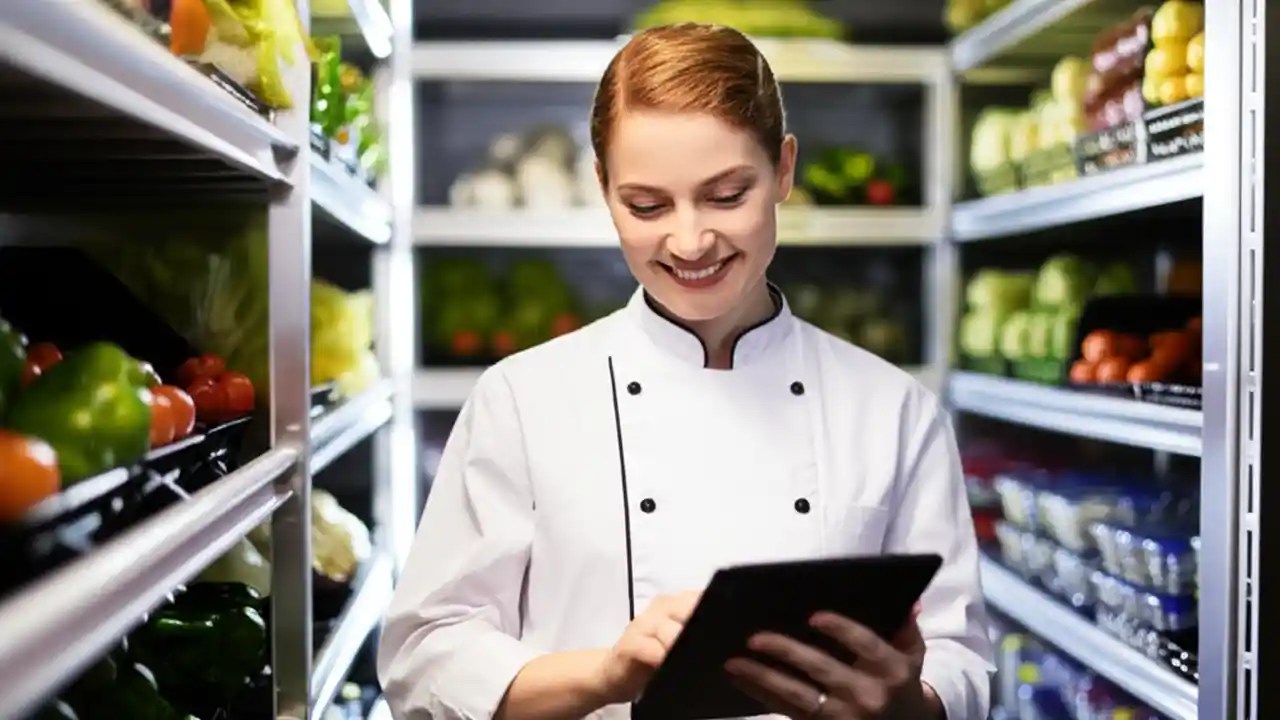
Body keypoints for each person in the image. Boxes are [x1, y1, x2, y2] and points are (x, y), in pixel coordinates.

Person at [379, 22, 993, 720]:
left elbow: (960, 653)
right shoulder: (522, 400)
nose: (690, 240)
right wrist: (605, 674)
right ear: (602, 187)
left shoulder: (894, 411)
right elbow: (424, 656)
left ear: (784, 169)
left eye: (727, 195)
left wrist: (913, 706)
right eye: (646, 205)